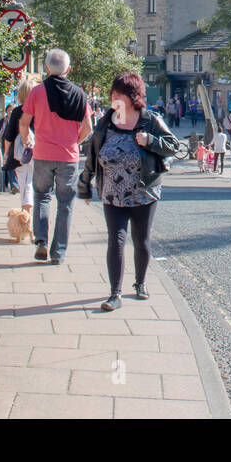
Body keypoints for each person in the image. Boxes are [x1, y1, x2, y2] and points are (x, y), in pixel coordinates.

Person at [78, 72, 181, 311]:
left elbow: (174, 146)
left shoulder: (150, 120)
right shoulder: (106, 122)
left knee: (141, 241)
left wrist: (150, 141)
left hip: (144, 193)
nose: (113, 97)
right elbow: (92, 157)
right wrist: (84, 187)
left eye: (119, 94)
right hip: (112, 194)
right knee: (115, 240)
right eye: (112, 93)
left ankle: (141, 282)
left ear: (133, 96)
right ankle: (115, 293)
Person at [20, 49, 92, 264]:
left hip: (42, 153)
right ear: (68, 69)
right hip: (68, 157)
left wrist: (27, 141)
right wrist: (74, 142)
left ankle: (41, 240)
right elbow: (88, 128)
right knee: (65, 203)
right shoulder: (79, 94)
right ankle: (58, 252)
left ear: (46, 68)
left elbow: (23, 123)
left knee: (41, 196)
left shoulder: (37, 92)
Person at [2, 75, 38, 211]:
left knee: (25, 183)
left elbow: (9, 136)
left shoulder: (17, 112)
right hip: (41, 152)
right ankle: (32, 214)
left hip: (22, 153)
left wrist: (6, 154)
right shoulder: (41, 111)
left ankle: (26, 215)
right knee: (35, 184)